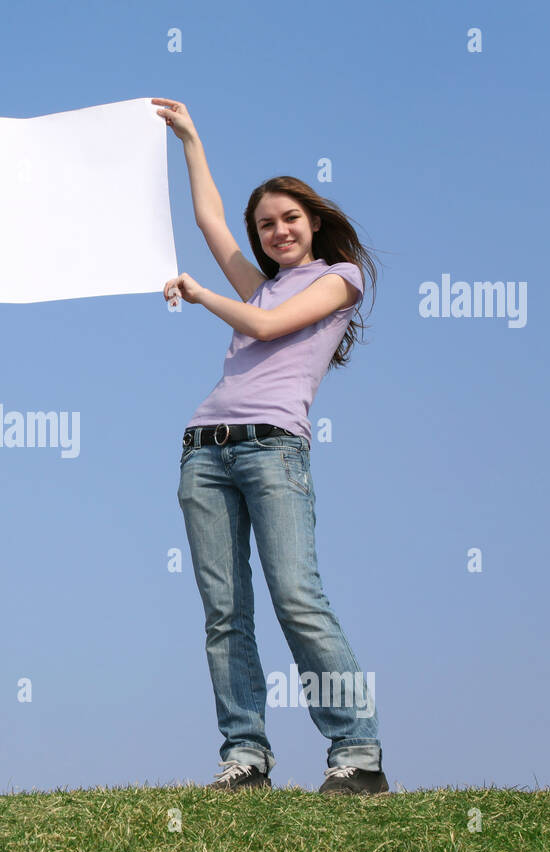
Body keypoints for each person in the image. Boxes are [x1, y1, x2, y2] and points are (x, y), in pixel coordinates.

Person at [153, 98, 388, 795]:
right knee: (224, 613)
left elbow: (266, 327)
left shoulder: (338, 280)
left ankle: (358, 754)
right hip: (205, 451)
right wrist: (191, 138)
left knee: (297, 599)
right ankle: (246, 756)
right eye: (266, 224)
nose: (277, 230)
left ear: (314, 222)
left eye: (289, 218)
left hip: (274, 452)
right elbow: (209, 221)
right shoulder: (261, 286)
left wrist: (200, 295)